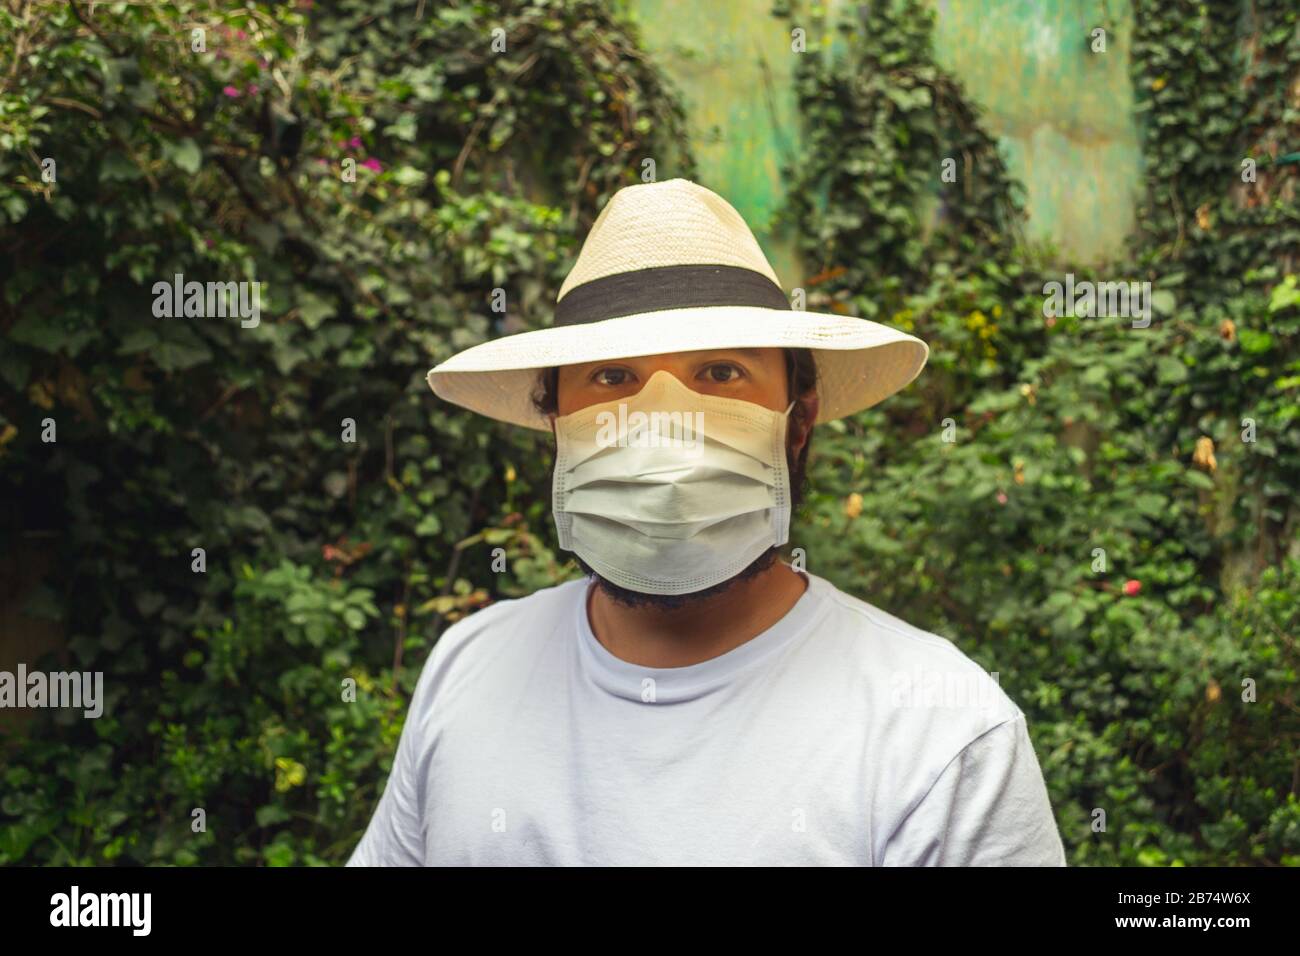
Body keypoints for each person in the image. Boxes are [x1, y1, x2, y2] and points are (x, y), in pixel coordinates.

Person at [347, 178, 1066, 866]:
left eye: (720, 373)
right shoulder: (468, 669)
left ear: (799, 418)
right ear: (555, 419)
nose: (665, 424)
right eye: (612, 377)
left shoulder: (941, 733)